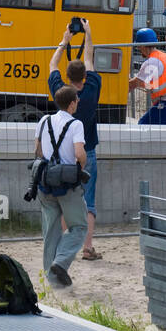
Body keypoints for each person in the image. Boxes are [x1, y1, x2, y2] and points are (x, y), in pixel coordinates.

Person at [48, 19, 103, 261]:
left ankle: (62, 244)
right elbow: (89, 58)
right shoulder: (92, 89)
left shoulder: (61, 93)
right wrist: (88, 33)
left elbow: (52, 65)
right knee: (88, 201)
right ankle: (87, 247)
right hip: (87, 151)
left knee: (64, 200)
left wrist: (64, 41)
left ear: (68, 76)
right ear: (84, 76)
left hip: (65, 156)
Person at [35, 85, 88, 288]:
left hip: (45, 181)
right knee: (79, 226)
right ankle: (60, 262)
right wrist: (79, 170)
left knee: (51, 230)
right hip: (67, 183)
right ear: (72, 103)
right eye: (77, 100)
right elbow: (79, 154)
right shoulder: (76, 124)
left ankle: (52, 279)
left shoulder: (43, 120)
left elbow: (38, 150)